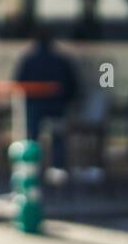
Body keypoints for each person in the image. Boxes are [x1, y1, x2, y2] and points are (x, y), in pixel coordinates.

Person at [14, 26, 79, 168]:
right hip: (57, 108)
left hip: (35, 109)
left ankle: (32, 167)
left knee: (32, 135)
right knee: (58, 137)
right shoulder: (61, 61)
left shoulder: (29, 60)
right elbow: (74, 88)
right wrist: (63, 101)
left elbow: (19, 84)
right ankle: (58, 169)